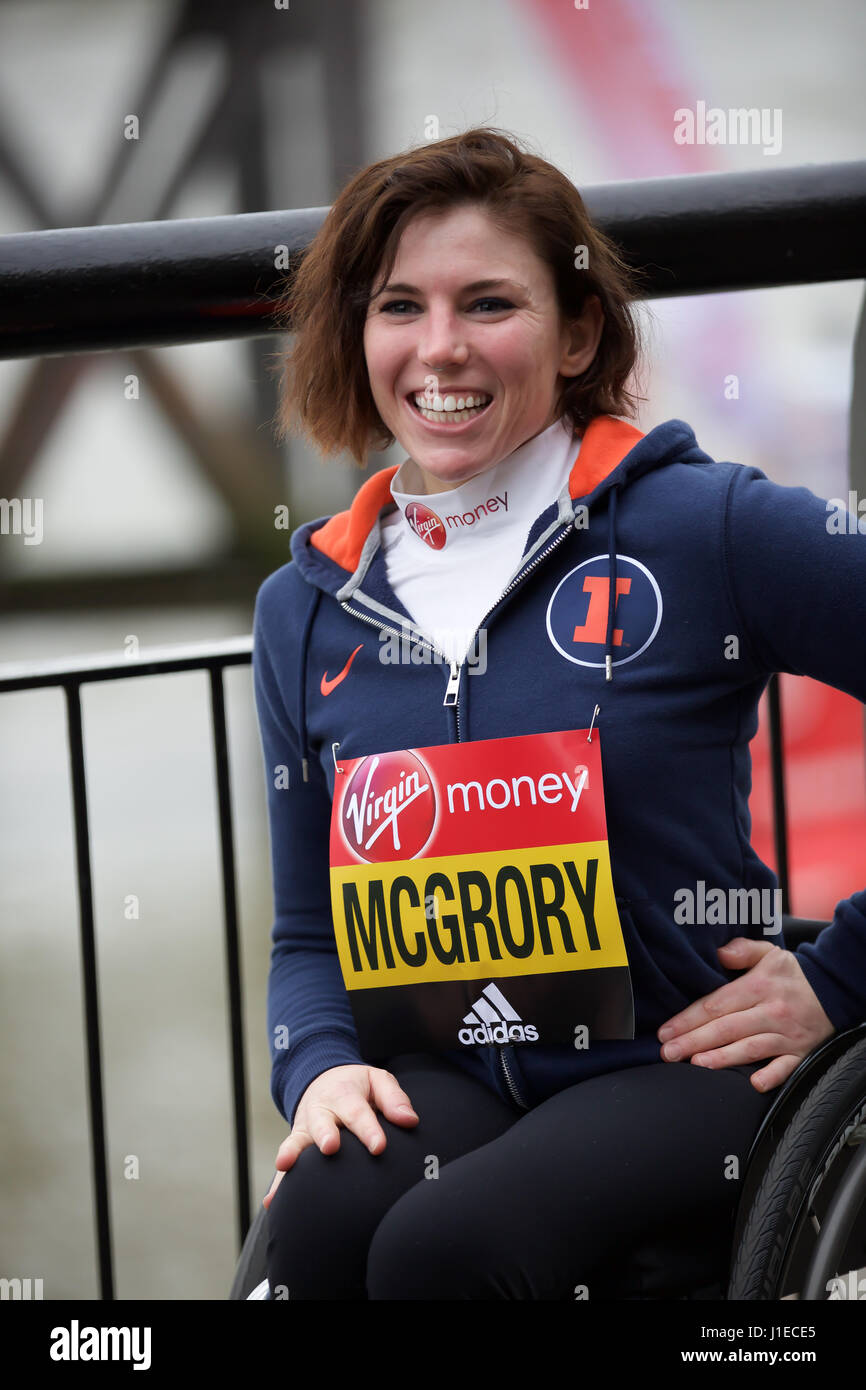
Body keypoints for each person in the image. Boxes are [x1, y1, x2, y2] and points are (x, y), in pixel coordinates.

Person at [251, 126, 866, 1300]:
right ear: (357, 334)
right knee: (323, 1213)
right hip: (451, 1070)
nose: (440, 348)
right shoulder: (305, 607)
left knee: (449, 1251)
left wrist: (843, 977)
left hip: (686, 1058)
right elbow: (300, 938)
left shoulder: (702, 526)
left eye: (488, 303)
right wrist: (318, 1067)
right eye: (398, 307)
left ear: (576, 332)